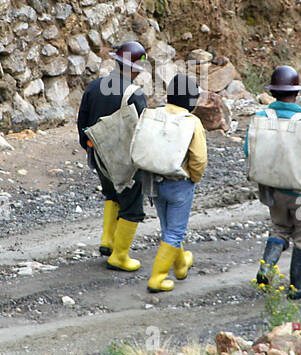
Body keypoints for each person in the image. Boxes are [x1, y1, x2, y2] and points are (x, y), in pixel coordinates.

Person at [246, 65, 301, 299]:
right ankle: (297, 286)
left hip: (272, 190)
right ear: (297, 93)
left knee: (279, 228)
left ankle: (266, 269)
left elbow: (248, 150)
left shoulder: (260, 118)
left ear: (272, 92)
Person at [77, 41, 148, 272]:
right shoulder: (134, 93)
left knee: (111, 193)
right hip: (124, 161)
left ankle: (107, 241)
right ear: (134, 68)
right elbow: (142, 132)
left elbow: (82, 124)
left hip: (98, 156)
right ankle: (120, 255)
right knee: (132, 205)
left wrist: (91, 149)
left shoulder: (95, 86)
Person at [141, 72, 207, 293]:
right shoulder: (192, 122)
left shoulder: (154, 114)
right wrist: (194, 178)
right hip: (179, 183)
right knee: (175, 232)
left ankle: (180, 266)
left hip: (153, 180)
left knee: (168, 228)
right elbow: (198, 158)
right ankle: (157, 278)